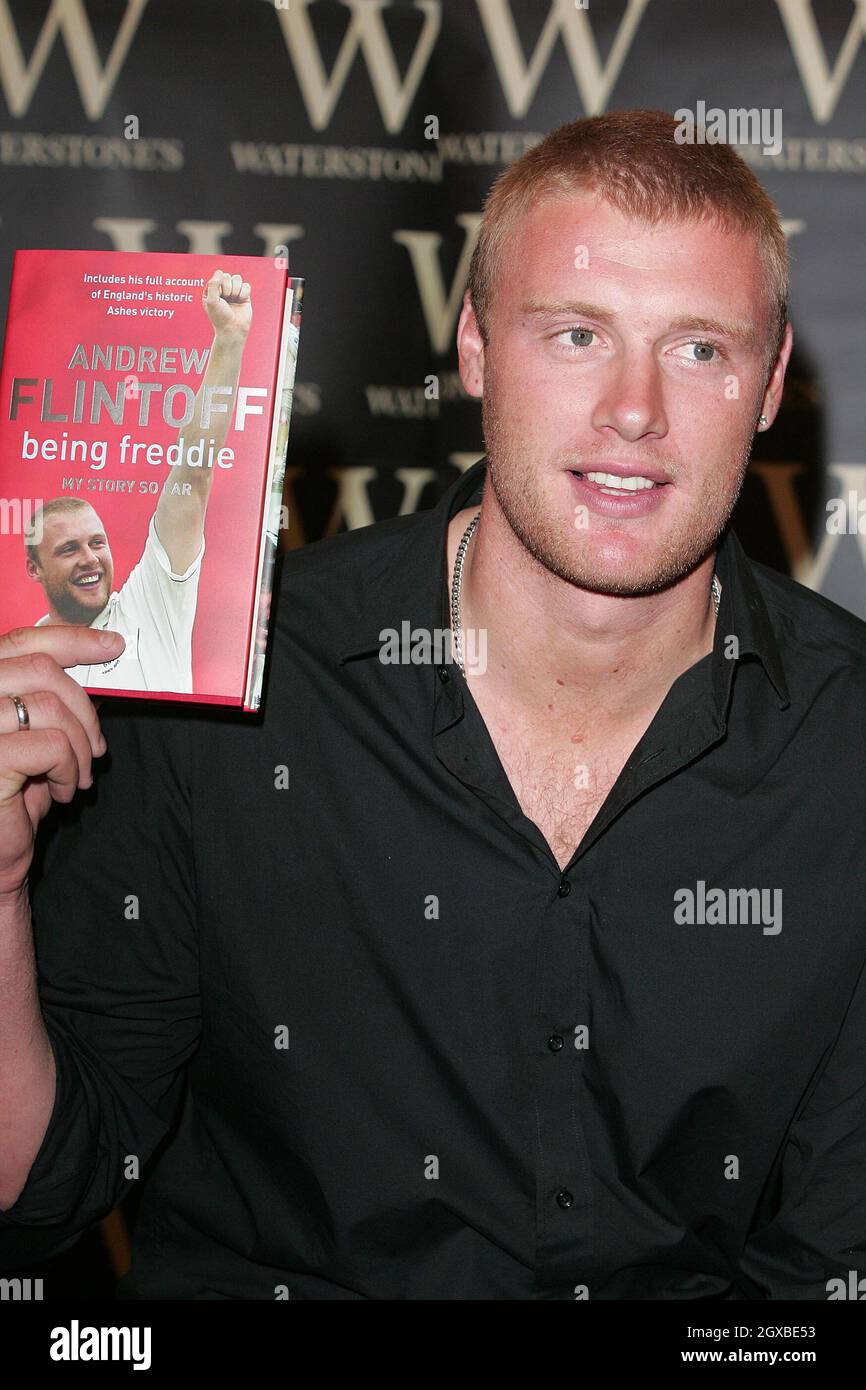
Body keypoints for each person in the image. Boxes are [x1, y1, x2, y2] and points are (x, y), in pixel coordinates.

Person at [1, 110, 865, 1300]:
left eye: (699, 351)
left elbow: (830, 1268)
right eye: (573, 334)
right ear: (471, 347)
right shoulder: (234, 688)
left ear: (767, 384)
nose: (632, 409)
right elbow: (40, 1191)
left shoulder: (845, 742)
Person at [22, 269, 253, 694]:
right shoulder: (18, 660)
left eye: (96, 542)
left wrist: (230, 338)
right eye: (69, 548)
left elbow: (194, 470)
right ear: (34, 568)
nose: (90, 558)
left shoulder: (151, 603)